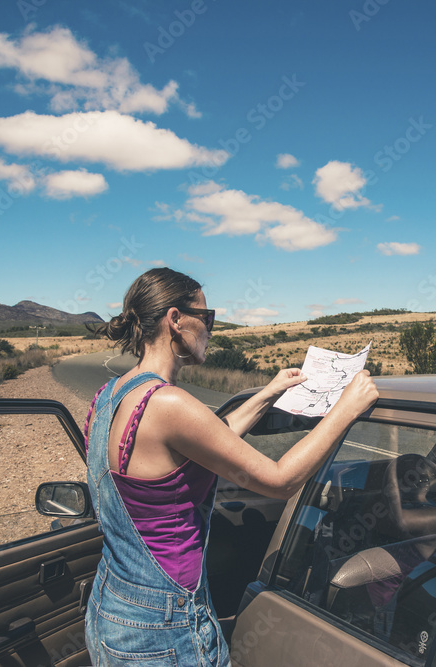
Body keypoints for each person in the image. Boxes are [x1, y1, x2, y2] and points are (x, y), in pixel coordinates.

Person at [82, 267, 378, 667]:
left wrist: (268, 393)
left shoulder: (113, 393)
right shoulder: (169, 404)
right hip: (163, 628)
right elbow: (280, 481)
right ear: (175, 319)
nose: (210, 329)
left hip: (112, 607)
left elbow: (208, 438)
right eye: (206, 318)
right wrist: (344, 410)